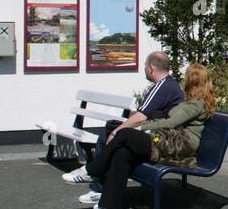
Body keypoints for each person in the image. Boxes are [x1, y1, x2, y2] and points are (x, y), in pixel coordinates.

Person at [80, 63, 215, 209]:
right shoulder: (191, 101)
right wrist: (143, 126)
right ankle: (110, 207)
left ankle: (91, 171)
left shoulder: (195, 104)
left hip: (179, 145)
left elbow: (170, 123)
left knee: (125, 134)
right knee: (123, 152)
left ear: (191, 81)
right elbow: (166, 120)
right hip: (168, 140)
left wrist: (141, 128)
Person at [61, 51, 185, 185]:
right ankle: (97, 183)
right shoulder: (169, 85)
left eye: (144, 65)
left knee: (115, 134)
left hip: (162, 141)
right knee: (112, 130)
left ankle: (93, 175)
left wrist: (116, 132)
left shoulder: (163, 87)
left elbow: (141, 116)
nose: (144, 69)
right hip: (161, 136)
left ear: (151, 68)